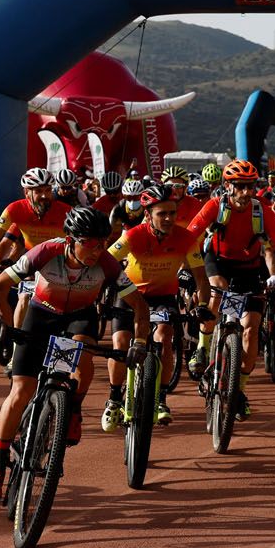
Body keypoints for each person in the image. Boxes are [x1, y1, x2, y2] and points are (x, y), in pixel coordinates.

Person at [0, 207, 148, 502]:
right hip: (41, 314)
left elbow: (139, 306)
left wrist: (141, 342)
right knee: (21, 390)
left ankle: (71, 409)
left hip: (78, 319)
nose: (98, 250)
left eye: (102, 243)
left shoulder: (107, 264)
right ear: (71, 239)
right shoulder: (45, 252)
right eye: (90, 243)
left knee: (82, 352)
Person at [188, 160, 275, 418]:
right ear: (227, 186)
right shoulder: (215, 205)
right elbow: (189, 239)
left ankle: (239, 389)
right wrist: (190, 272)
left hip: (248, 268)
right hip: (218, 262)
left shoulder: (263, 211)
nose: (246, 192)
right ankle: (202, 347)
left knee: (250, 330)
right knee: (217, 291)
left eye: (251, 186)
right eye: (240, 186)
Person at [99, 183, 205, 431]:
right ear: (148, 215)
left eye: (172, 212)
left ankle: (160, 398)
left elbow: (201, 278)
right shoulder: (133, 235)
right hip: (129, 296)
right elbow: (104, 261)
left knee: (164, 336)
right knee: (121, 344)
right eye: (162, 214)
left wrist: (201, 305)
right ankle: (115, 398)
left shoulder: (186, 238)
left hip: (162, 298)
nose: (169, 218)